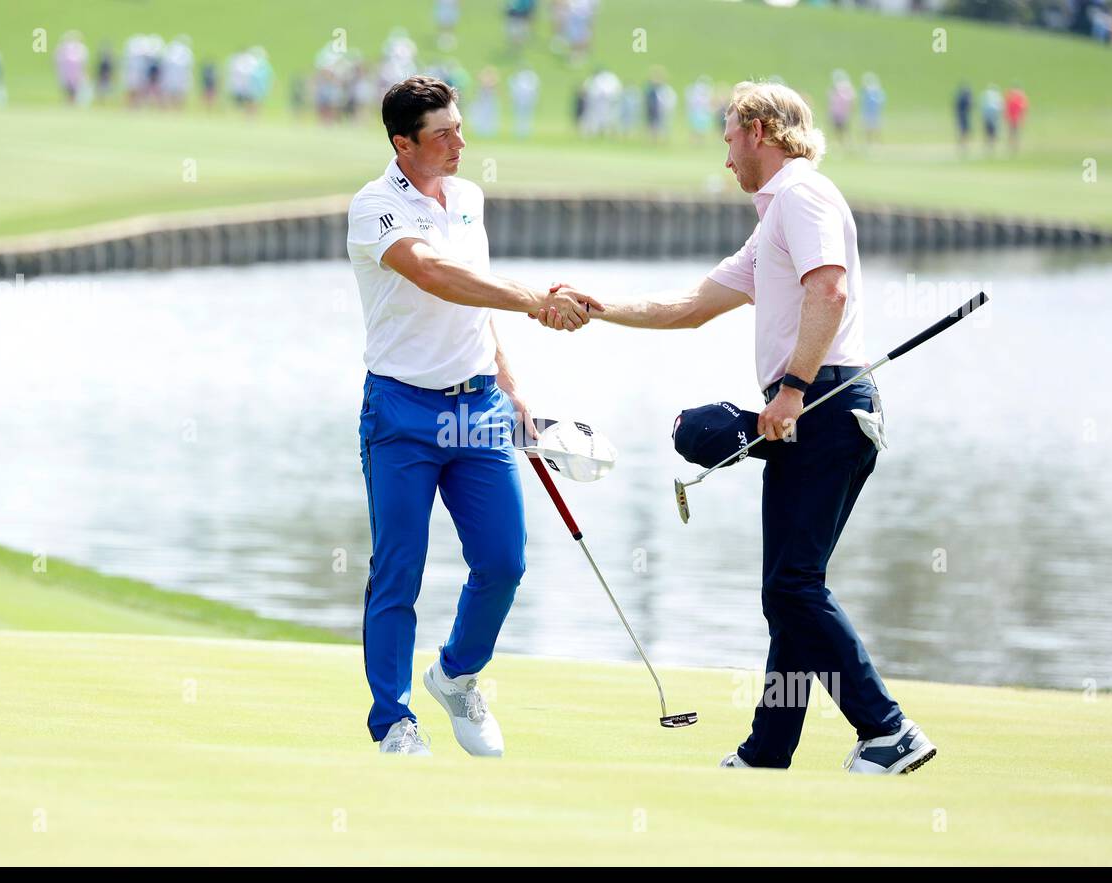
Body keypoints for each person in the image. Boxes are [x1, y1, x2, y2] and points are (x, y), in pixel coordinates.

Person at [535, 81, 937, 775]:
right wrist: (597, 308)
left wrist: (791, 389)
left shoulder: (803, 197)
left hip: (825, 405)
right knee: (789, 587)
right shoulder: (775, 216)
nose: (725, 158)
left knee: (793, 586)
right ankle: (769, 749)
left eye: (727, 138)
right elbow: (690, 306)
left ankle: (889, 729)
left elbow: (829, 289)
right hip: (814, 408)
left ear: (759, 130)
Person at [346, 76, 599, 756]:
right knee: (399, 567)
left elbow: (474, 307)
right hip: (401, 411)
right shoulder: (375, 208)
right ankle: (393, 721)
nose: (461, 142)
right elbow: (435, 276)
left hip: (480, 406)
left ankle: (455, 675)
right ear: (403, 144)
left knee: (504, 561)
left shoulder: (468, 198)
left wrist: (511, 384)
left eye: (459, 127)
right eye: (443, 134)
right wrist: (534, 300)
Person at [1004, 83, 1028, 154]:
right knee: (1013, 133)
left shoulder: (1014, 96)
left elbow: (1023, 108)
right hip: (1013, 118)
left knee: (1014, 133)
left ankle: (1013, 147)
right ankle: (1013, 147)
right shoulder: (1017, 97)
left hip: (1015, 118)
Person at [954, 82, 972, 154]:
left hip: (961, 116)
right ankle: (963, 146)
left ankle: (962, 146)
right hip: (963, 116)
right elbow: (969, 105)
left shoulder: (959, 97)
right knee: (964, 131)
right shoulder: (964, 98)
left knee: (963, 131)